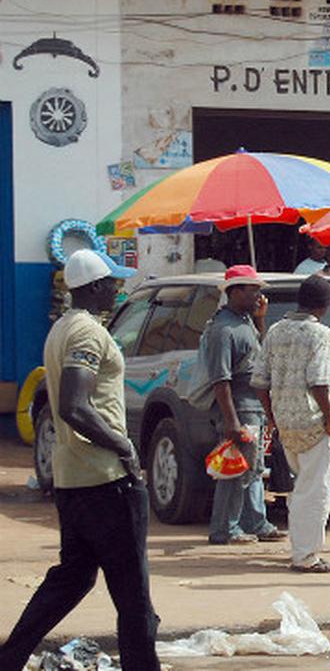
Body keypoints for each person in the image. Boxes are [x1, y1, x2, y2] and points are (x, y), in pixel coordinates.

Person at [0, 251, 160, 671]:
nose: (117, 289)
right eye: (111, 283)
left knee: (72, 579)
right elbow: (74, 405)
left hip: (73, 478)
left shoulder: (61, 330)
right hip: (106, 478)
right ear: (92, 287)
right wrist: (123, 446)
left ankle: (11, 656)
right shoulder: (88, 333)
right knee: (133, 594)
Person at [252, 275, 330, 573]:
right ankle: (305, 556)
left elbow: (260, 381)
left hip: (286, 423)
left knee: (302, 487)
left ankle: (302, 547)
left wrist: (272, 415)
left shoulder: (275, 330)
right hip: (312, 422)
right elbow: (319, 382)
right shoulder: (320, 333)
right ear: (325, 305)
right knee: (315, 491)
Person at [197, 265, 287, 546]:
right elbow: (220, 380)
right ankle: (225, 528)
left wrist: (260, 320)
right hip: (240, 408)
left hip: (253, 408)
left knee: (254, 469)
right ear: (234, 292)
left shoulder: (244, 321)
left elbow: (257, 352)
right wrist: (232, 422)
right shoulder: (223, 330)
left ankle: (256, 522)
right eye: (252, 291)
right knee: (235, 469)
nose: (258, 297)